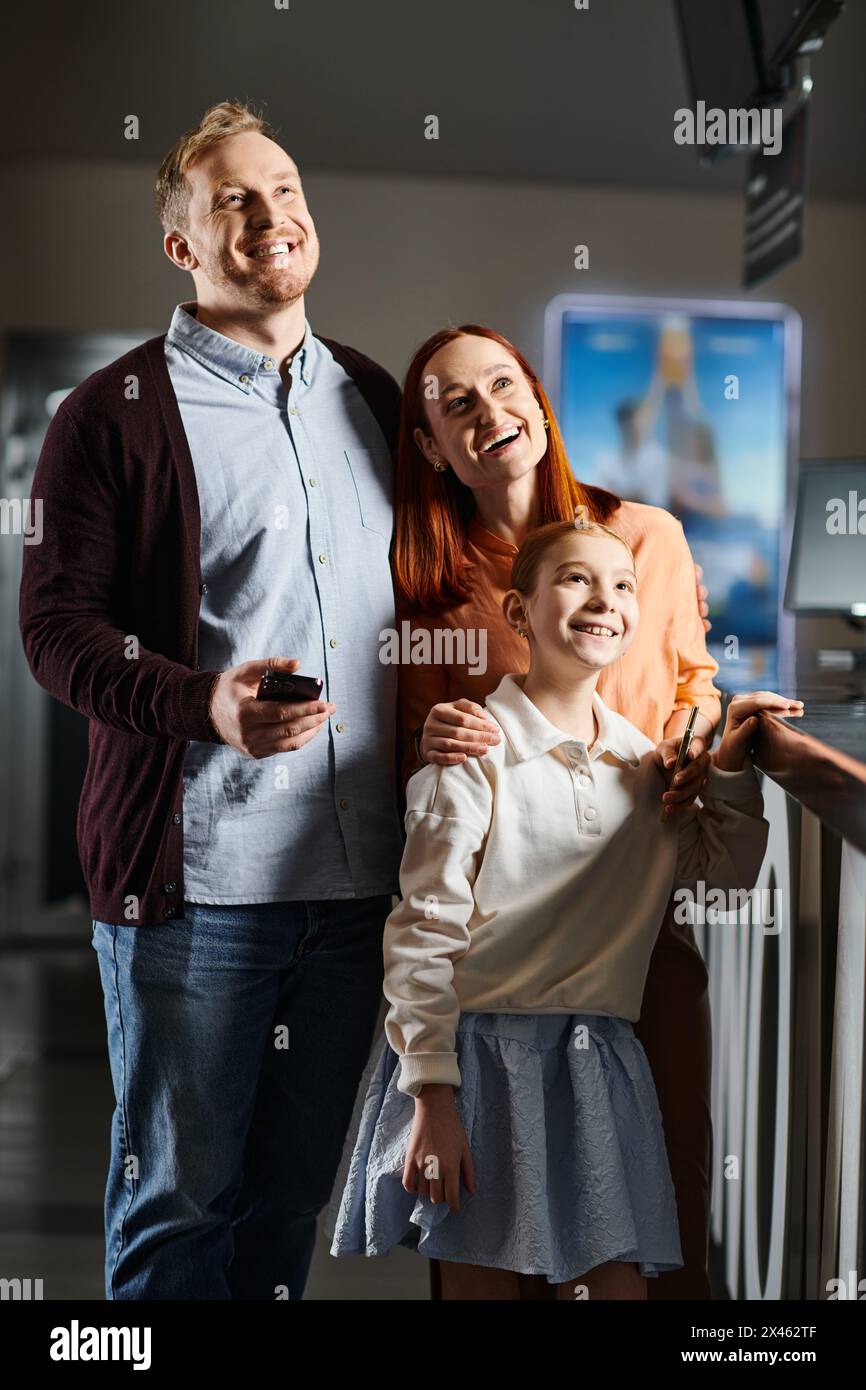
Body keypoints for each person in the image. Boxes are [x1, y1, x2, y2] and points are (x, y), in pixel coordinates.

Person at [18, 100, 405, 1300]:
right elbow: (54, 630)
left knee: (288, 1202)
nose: (269, 216)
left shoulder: (374, 401)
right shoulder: (112, 416)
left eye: (283, 189)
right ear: (182, 246)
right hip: (197, 891)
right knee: (179, 1209)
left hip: (353, 888)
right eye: (232, 199)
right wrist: (202, 704)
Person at [329, 520, 796, 1297]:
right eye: (575, 579)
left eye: (622, 585)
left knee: (616, 1286)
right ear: (519, 613)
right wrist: (433, 1097)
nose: (603, 600)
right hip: (474, 1069)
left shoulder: (646, 770)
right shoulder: (470, 759)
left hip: (602, 1069)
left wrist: (734, 766)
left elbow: (725, 876)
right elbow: (421, 936)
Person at [387, 324, 722, 1299]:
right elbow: (421, 765)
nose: (489, 413)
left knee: (661, 1200)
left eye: (502, 385)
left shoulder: (649, 537)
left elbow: (693, 677)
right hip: (507, 971)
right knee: (492, 1228)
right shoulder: (435, 601)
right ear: (427, 445)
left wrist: (706, 731)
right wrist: (433, 743)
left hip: (636, 936)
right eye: (457, 404)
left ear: (535, 397)